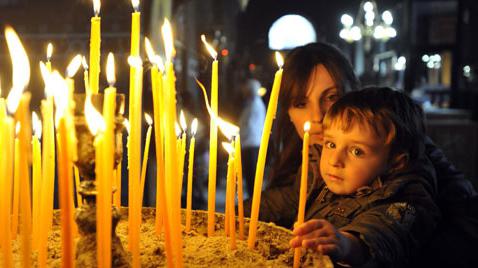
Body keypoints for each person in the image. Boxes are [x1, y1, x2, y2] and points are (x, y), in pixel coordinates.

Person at [243, 42, 477, 266]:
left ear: (353, 92)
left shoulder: (402, 157)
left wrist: (349, 243)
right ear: (287, 111)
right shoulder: (319, 154)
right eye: (301, 103)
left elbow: (388, 224)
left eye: (332, 97)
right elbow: (291, 197)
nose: (318, 117)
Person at [289, 86, 440, 266]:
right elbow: (286, 199)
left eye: (357, 151)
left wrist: (346, 243)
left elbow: (383, 233)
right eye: (330, 144)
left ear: (396, 163)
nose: (335, 160)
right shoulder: (326, 182)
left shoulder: (405, 201)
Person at [238, 78, 266, 198]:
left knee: (252, 175)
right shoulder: (252, 103)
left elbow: (249, 125)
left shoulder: (255, 104)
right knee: (250, 175)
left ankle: (253, 201)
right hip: (248, 142)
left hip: (251, 143)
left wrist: (239, 135)